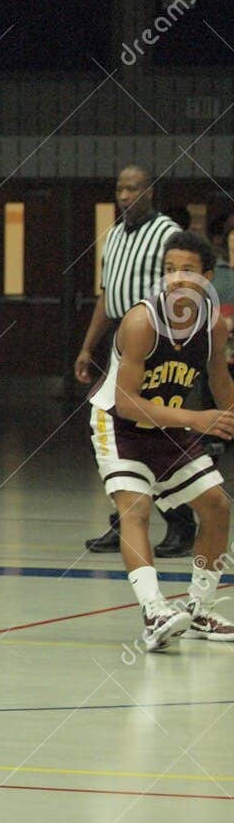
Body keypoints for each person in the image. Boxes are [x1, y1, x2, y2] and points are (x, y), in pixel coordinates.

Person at [87, 231, 234, 647]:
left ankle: (199, 609)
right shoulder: (142, 321)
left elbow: (219, 379)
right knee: (135, 509)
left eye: (186, 270)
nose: (175, 279)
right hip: (118, 423)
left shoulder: (213, 326)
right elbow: (128, 403)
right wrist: (197, 419)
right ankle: (153, 612)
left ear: (207, 277)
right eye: (168, 270)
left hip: (169, 424)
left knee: (217, 506)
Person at [76, 164, 193, 556]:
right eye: (120, 189)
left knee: (152, 432)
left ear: (150, 192)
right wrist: (88, 347)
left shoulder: (166, 235)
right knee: (113, 433)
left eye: (133, 189)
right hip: (118, 344)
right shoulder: (112, 236)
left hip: (155, 342)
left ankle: (181, 522)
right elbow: (108, 296)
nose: (125, 196)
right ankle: (124, 520)